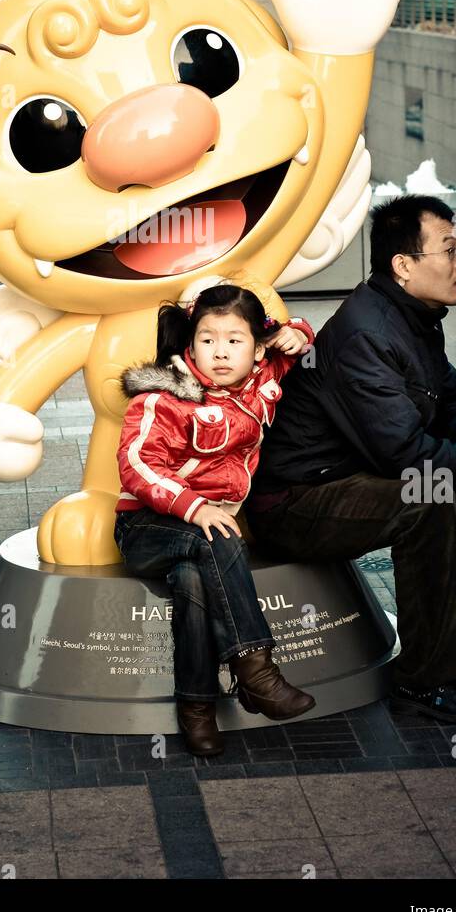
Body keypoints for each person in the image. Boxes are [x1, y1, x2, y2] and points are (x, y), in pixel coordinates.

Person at [245, 195, 456, 726]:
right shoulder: (368, 333)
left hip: (356, 475)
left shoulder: (415, 316)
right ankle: (428, 678)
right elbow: (406, 458)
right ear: (403, 265)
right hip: (297, 500)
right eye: (450, 250)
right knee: (432, 497)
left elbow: (453, 405)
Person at [115, 283, 317, 757]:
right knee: (217, 537)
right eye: (207, 340)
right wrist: (194, 506)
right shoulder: (164, 396)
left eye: (234, 340)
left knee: (193, 582)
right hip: (147, 528)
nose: (220, 353)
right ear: (190, 344)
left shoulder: (263, 375)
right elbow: (136, 465)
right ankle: (257, 672)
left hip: (203, 538)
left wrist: (296, 332)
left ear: (257, 347)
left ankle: (197, 708)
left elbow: (298, 338)